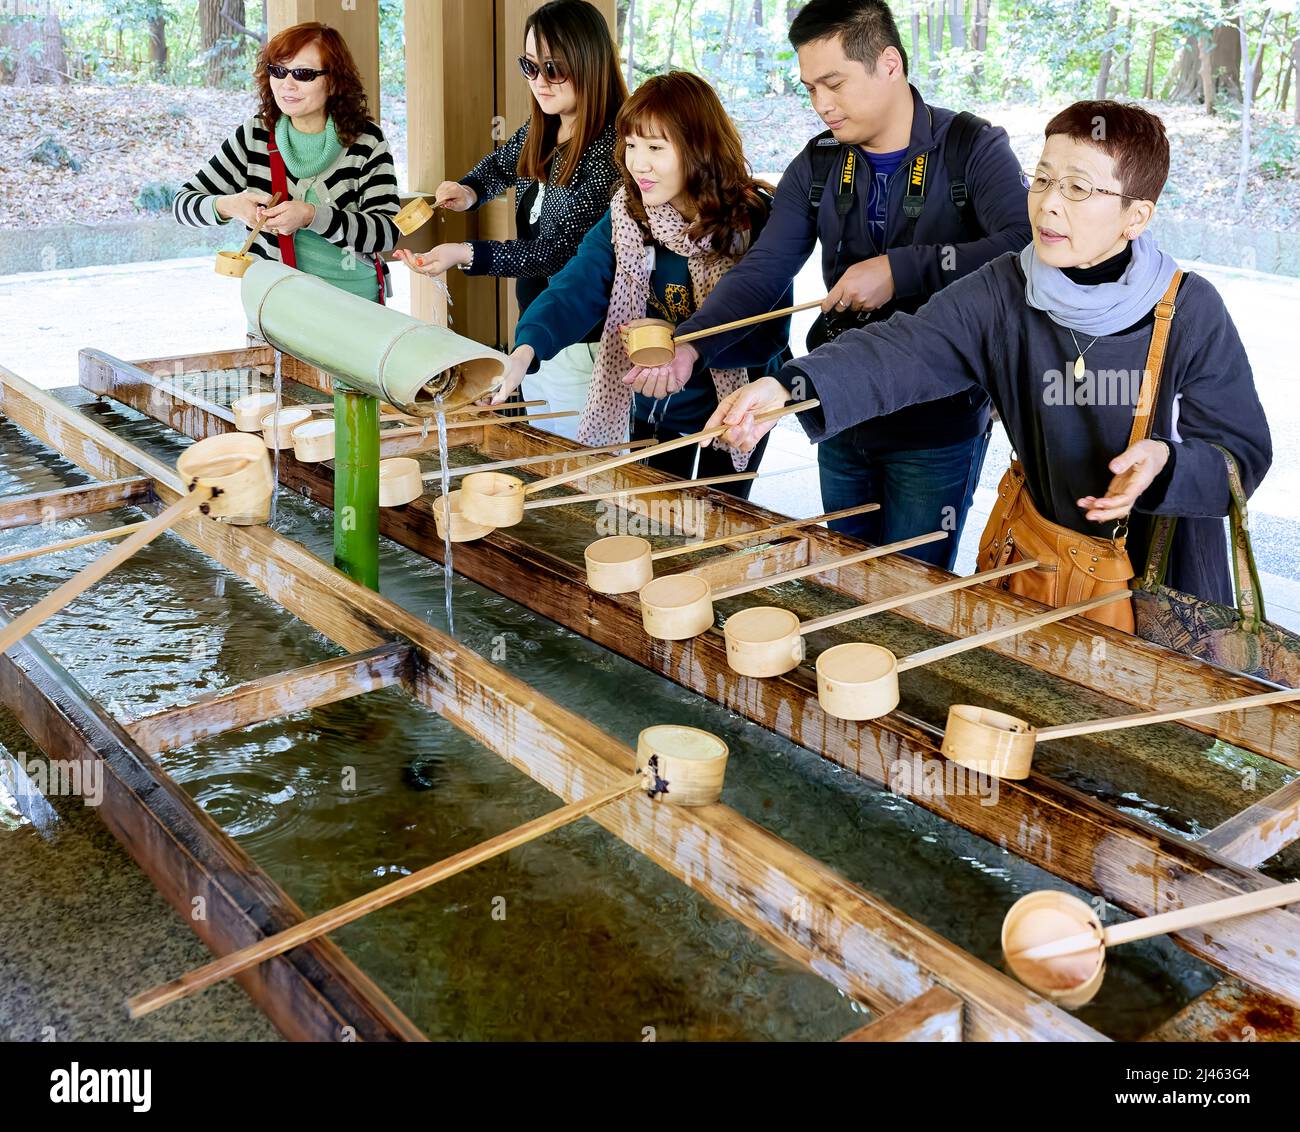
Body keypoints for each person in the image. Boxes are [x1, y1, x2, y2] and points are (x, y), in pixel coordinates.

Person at [700, 100, 1272, 607]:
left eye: (1078, 188)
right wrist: (788, 388)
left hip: (1160, 575)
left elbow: (1241, 454)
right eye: (1042, 180)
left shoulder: (1190, 308)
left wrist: (1168, 465)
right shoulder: (1005, 288)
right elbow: (905, 347)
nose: (1048, 206)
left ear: (1135, 217)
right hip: (1043, 559)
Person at [625, 0, 1030, 567]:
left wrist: (901, 269)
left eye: (834, 84)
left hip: (937, 417)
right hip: (835, 402)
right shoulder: (817, 164)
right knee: (846, 572)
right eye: (810, 88)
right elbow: (764, 268)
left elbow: (1025, 250)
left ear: (889, 64)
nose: (822, 106)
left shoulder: (973, 148)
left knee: (914, 587)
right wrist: (692, 343)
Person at [481, 71, 793, 499]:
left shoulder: (753, 221)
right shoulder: (628, 216)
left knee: (719, 520)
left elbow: (769, 333)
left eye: (655, 148)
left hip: (736, 402)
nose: (638, 163)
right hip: (650, 396)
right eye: (630, 145)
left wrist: (681, 344)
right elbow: (577, 286)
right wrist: (524, 351)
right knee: (654, 513)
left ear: (697, 149)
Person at [397, 0, 626, 440]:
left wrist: (466, 253)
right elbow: (502, 164)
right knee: (543, 452)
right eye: (530, 66)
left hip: (585, 335)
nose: (539, 81)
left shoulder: (612, 148)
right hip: (535, 324)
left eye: (553, 68)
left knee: (586, 466)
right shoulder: (546, 124)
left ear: (590, 63)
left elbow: (556, 252)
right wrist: (468, 191)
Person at [174, 21, 400, 304]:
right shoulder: (255, 134)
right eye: (278, 71)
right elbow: (182, 205)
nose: (287, 85)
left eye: (304, 74)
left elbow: (387, 233)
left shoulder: (366, 140)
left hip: (353, 305)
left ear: (333, 81)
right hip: (273, 305)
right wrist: (230, 206)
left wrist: (311, 216)